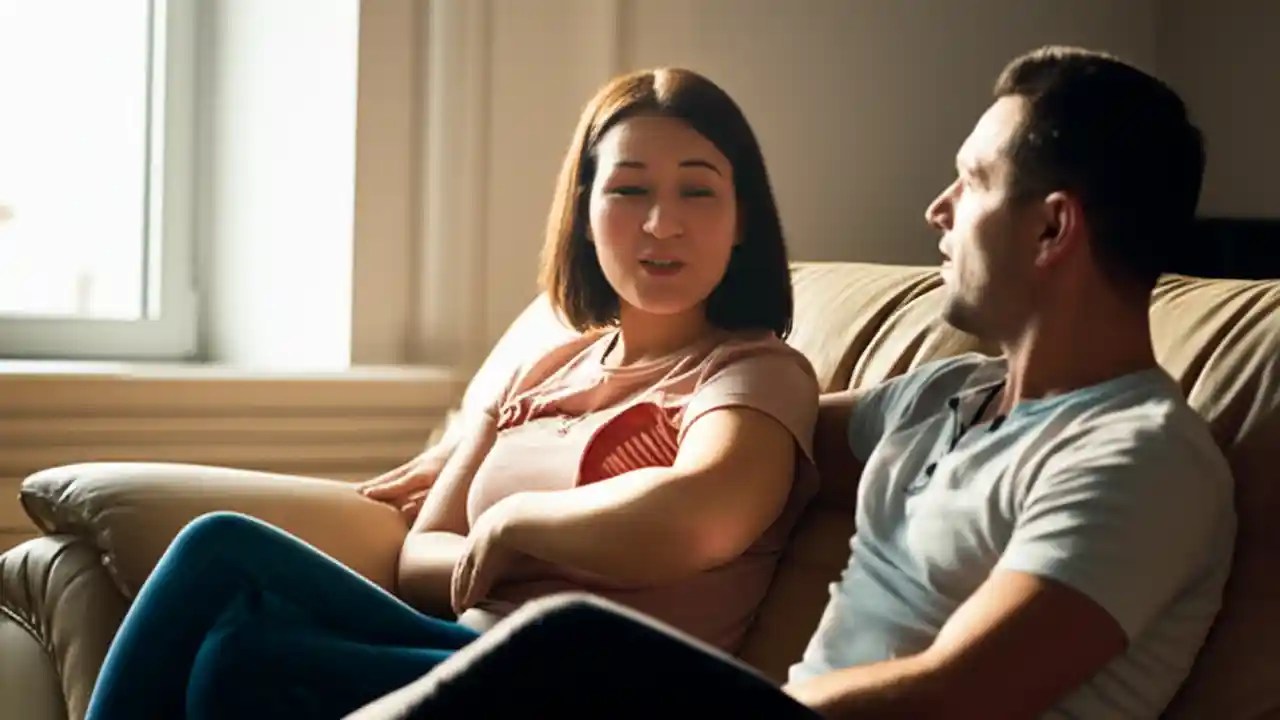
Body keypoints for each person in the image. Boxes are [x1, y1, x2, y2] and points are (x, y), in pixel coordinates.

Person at [346, 46, 1237, 720]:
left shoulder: (1139, 462)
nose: (937, 210)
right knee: (267, 586)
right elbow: (733, 427)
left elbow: (953, 694)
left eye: (970, 182)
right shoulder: (943, 398)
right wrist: (485, 443)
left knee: (565, 640)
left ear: (1051, 230)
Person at [84, 67, 820, 719]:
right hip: (453, 650)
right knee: (226, 598)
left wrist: (515, 528)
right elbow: (422, 559)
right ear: (586, 214)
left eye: (698, 190)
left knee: (235, 632)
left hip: (581, 685)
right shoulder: (544, 368)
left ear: (742, 220)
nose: (662, 223)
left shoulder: (751, 370)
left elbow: (697, 519)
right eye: (629, 190)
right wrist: (521, 539)